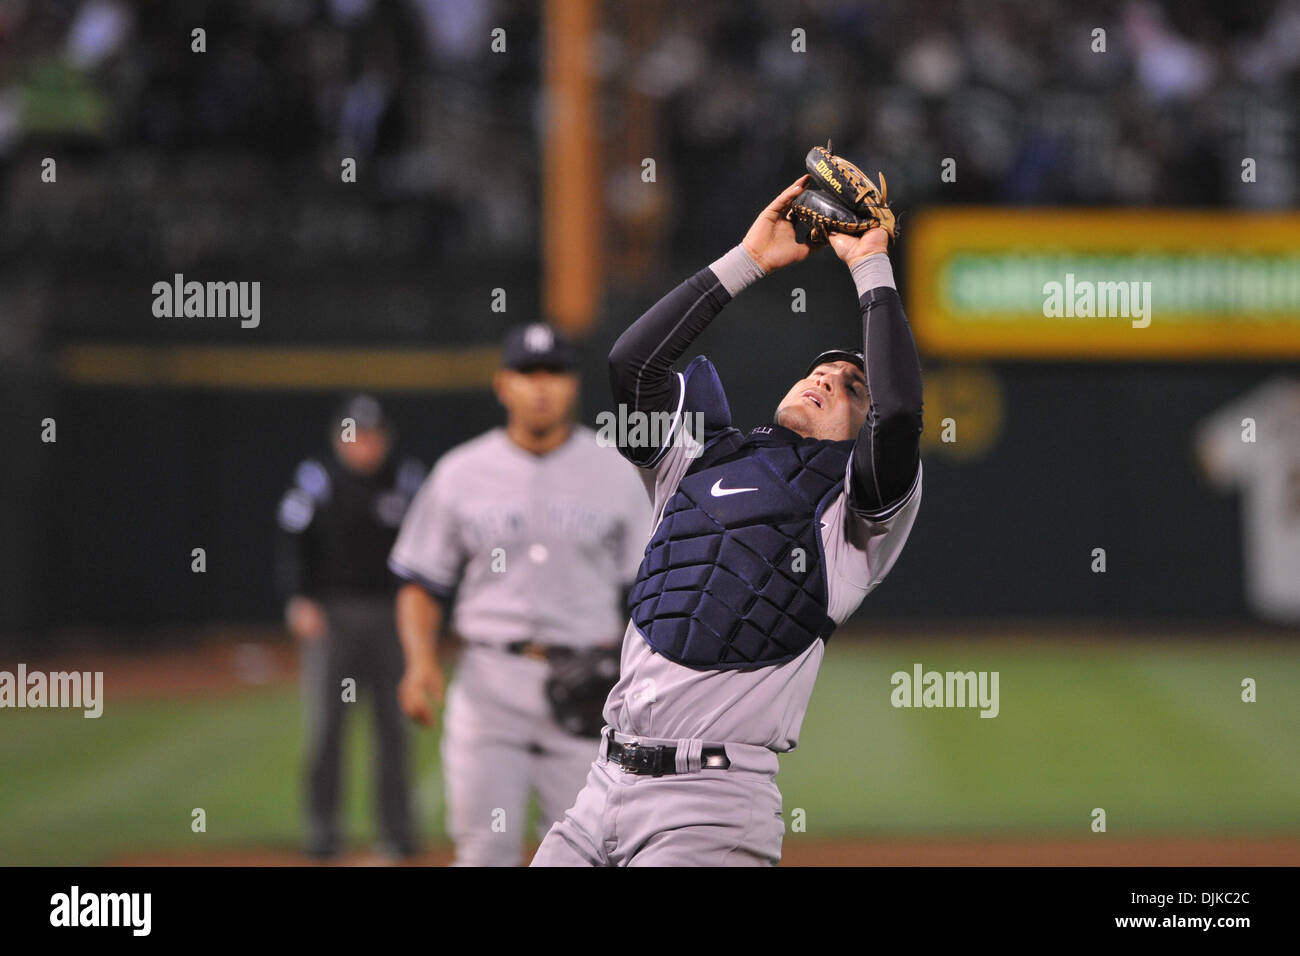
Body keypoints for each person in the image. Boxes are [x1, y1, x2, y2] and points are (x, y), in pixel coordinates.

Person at [531, 174, 924, 866]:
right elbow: (632, 365)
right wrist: (747, 261)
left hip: (709, 812)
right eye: (822, 369)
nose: (827, 377)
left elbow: (899, 416)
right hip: (599, 787)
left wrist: (869, 265)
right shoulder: (694, 456)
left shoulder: (855, 512)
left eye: (850, 385)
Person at [389, 323, 650, 867]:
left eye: (553, 372)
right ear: (503, 384)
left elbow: (649, 594)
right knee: (485, 852)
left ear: (572, 385)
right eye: (527, 373)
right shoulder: (460, 472)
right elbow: (420, 582)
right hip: (489, 686)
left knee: (590, 855)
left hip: (588, 690)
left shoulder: (616, 472)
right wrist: (418, 663)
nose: (540, 387)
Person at [276, 393, 425, 860]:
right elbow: (292, 540)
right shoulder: (316, 479)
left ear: (385, 439)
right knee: (326, 732)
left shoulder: (407, 480)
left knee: (394, 732)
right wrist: (299, 598)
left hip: (391, 616)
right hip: (333, 616)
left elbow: (429, 548)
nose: (363, 444)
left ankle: (398, 833)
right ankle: (323, 831)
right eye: (354, 435)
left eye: (371, 435)